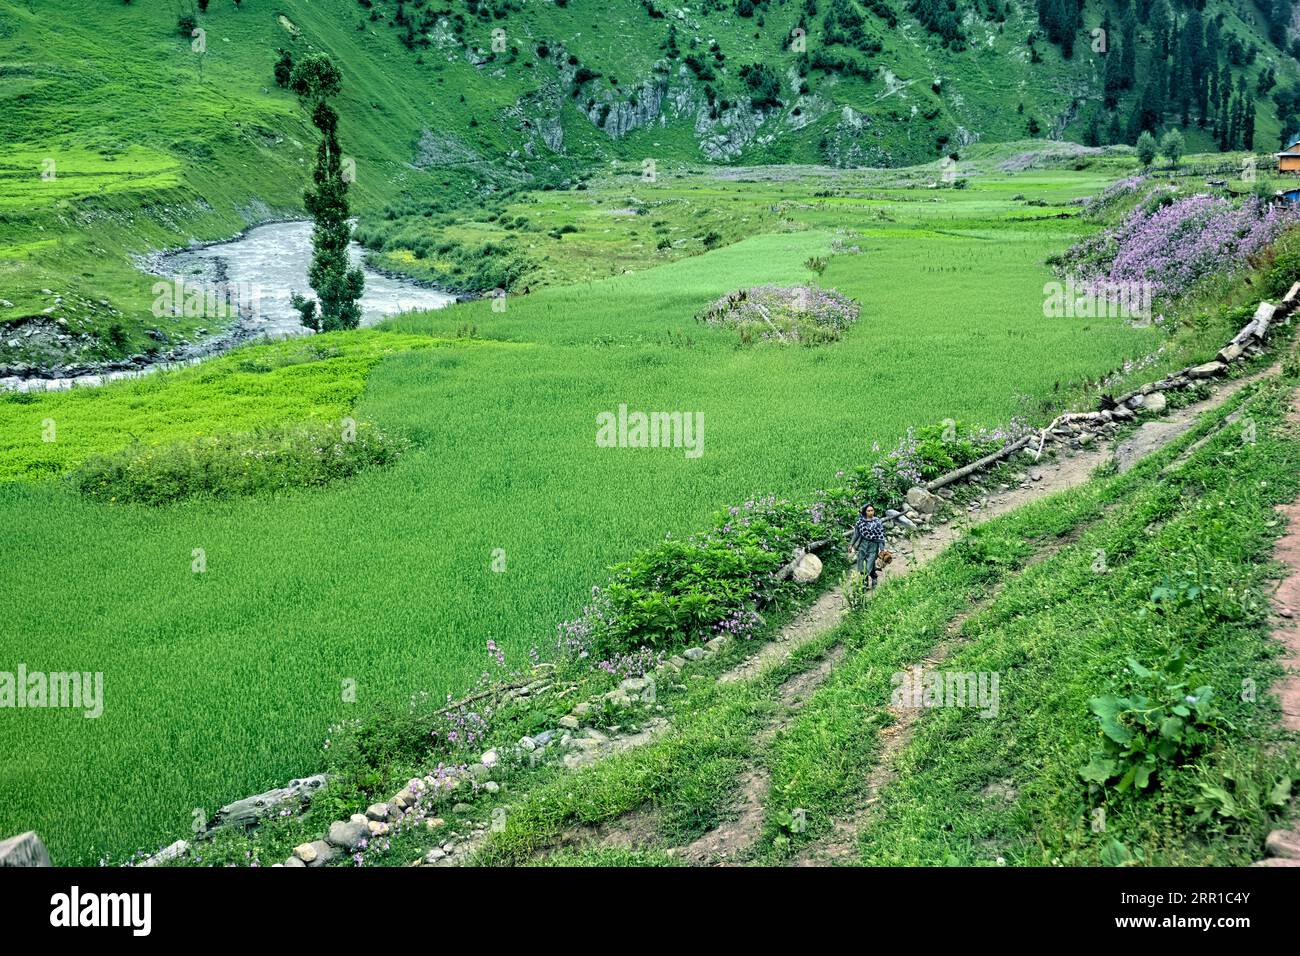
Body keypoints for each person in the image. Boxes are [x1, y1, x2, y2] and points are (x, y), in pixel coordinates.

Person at [849, 504, 887, 588]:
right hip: (863, 545)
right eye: (868, 511)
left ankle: (870, 579)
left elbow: (880, 537)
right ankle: (866, 582)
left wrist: (882, 550)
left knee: (869, 564)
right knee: (861, 565)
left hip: (873, 546)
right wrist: (851, 545)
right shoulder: (860, 522)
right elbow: (856, 534)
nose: (870, 512)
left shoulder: (877, 522)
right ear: (865, 512)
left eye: (872, 510)